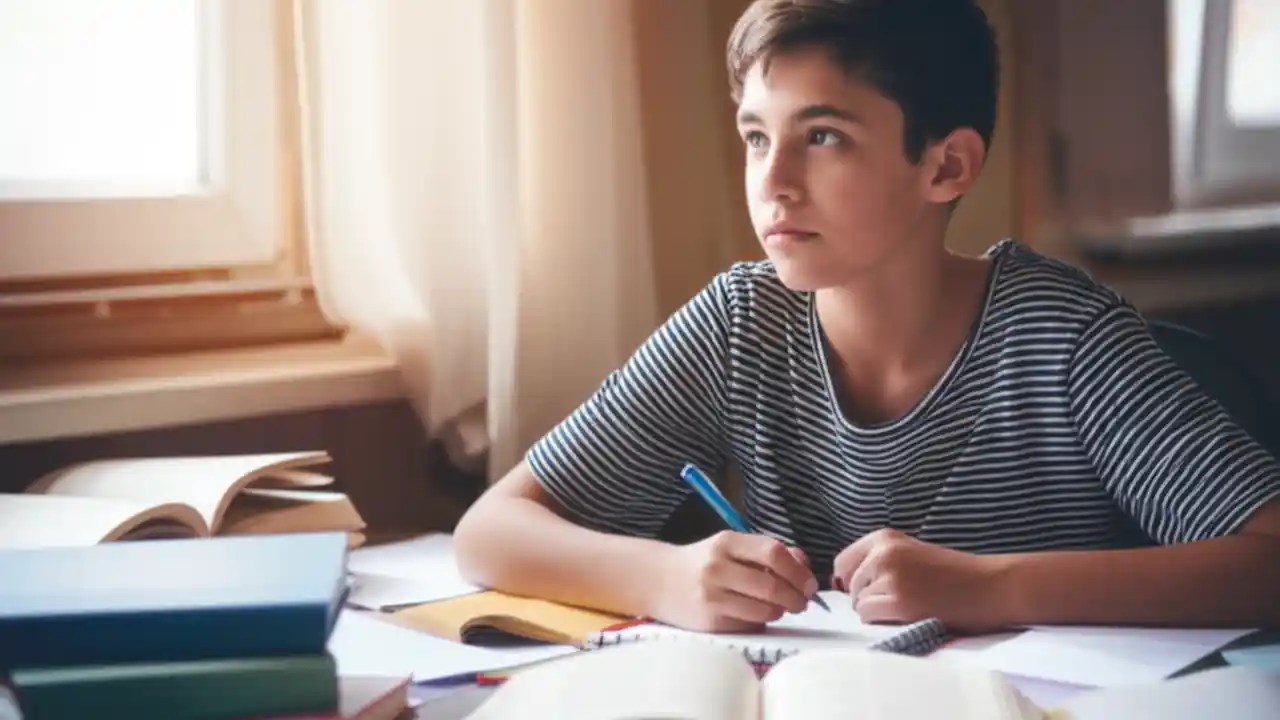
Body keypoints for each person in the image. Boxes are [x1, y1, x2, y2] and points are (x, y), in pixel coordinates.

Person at [455, 0, 1280, 634]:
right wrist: (661, 577)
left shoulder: (1061, 339)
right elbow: (492, 530)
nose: (772, 180)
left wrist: (988, 587)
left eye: (822, 136)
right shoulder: (740, 326)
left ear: (946, 165)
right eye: (754, 136)